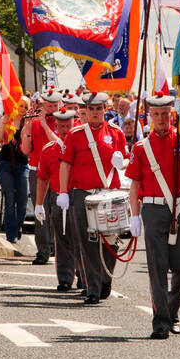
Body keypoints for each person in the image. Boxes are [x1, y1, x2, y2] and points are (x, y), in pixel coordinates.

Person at [128, 94, 180, 338]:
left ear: (172, 115)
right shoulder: (141, 147)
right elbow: (134, 184)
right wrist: (135, 215)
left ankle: (172, 310)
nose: (161, 119)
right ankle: (161, 321)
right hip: (154, 208)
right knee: (157, 267)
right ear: (149, 117)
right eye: (156, 114)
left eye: (165, 114)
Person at [58, 91, 129, 304]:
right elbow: (65, 164)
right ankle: (92, 288)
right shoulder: (75, 134)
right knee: (86, 242)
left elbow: (126, 159)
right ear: (86, 112)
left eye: (99, 109)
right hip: (83, 194)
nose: (95, 113)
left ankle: (106, 277)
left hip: (108, 194)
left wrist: (121, 163)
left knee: (110, 240)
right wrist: (63, 192)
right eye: (91, 109)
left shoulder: (116, 132)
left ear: (105, 110)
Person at [34, 109, 78, 291]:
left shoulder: (82, 146)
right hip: (57, 197)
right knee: (62, 240)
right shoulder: (49, 150)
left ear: (74, 125)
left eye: (69, 126)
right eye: (62, 126)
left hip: (78, 195)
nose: (65, 129)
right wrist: (38, 204)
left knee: (81, 240)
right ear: (56, 127)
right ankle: (65, 278)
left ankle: (84, 277)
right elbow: (43, 179)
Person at [21, 90, 63, 265]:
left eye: (55, 105)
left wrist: (46, 124)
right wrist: (29, 129)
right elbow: (25, 150)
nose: (53, 108)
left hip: (58, 171)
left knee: (57, 212)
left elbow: (60, 144)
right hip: (37, 171)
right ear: (43, 106)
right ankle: (43, 250)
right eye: (49, 106)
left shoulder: (64, 122)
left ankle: (56, 247)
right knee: (41, 211)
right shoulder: (33, 122)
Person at [0, 110, 32, 246]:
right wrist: (3, 121)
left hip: (22, 164)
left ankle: (18, 225)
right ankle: (11, 233)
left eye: (24, 106)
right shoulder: (7, 121)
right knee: (9, 198)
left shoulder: (29, 122)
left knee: (22, 199)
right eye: (19, 105)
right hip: (5, 163)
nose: (21, 108)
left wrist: (28, 126)